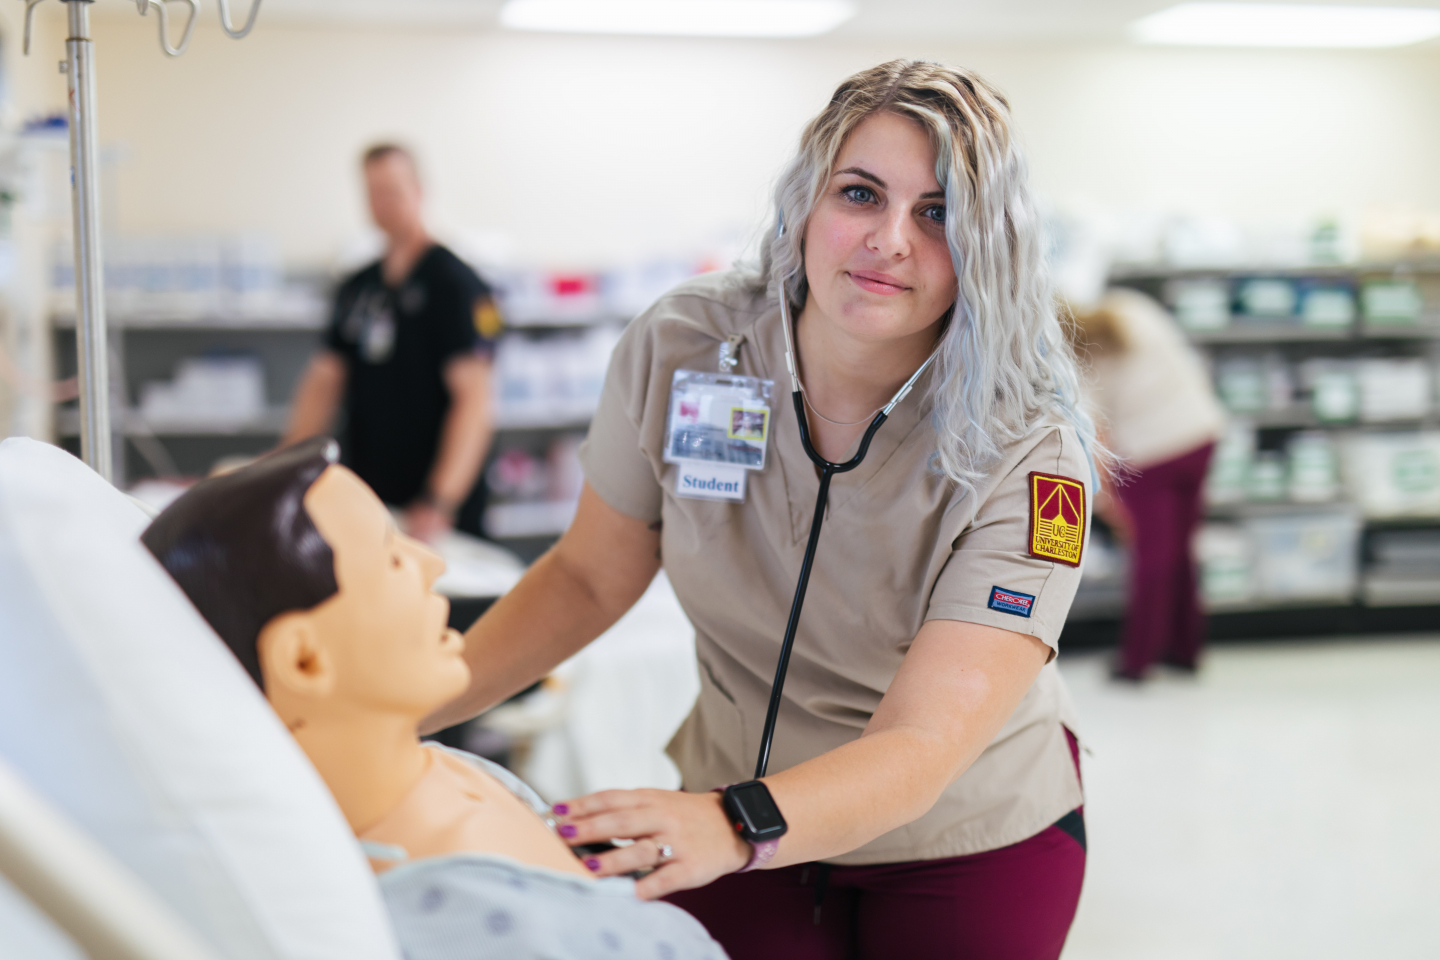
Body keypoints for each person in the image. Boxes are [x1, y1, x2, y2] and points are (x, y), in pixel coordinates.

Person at [427, 60, 1098, 959]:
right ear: (804, 204)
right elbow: (589, 577)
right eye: (860, 194)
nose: (890, 239)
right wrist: (403, 711)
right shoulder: (688, 347)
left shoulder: (1033, 457)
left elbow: (922, 745)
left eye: (939, 214)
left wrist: (732, 824)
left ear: (991, 245)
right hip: (733, 807)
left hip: (959, 839)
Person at [141, 439, 727, 960]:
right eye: (392, 557)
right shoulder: (449, 918)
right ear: (305, 661)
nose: (434, 563)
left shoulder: (450, 771)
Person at [282, 144, 501, 542]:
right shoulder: (357, 287)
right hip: (371, 494)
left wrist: (440, 500)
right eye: (372, 193)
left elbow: (475, 401)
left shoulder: (456, 285)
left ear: (419, 191)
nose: (382, 203)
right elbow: (324, 381)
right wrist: (281, 470)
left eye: (392, 191)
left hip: (437, 510)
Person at [1063, 289, 1225, 680]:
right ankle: (1185, 651)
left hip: (1152, 455)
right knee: (1181, 551)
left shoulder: (1084, 365)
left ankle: (1137, 660)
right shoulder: (1133, 306)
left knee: (1151, 558)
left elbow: (1097, 439)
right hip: (1200, 434)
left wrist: (1108, 505)